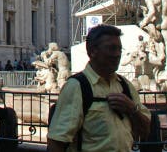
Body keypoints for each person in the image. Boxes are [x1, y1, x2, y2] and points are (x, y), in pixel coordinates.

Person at [47, 24, 151, 152]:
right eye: (111, 48)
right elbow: (57, 142)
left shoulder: (125, 85)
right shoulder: (76, 87)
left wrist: (131, 109)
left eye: (119, 49)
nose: (117, 54)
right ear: (92, 51)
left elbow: (145, 131)